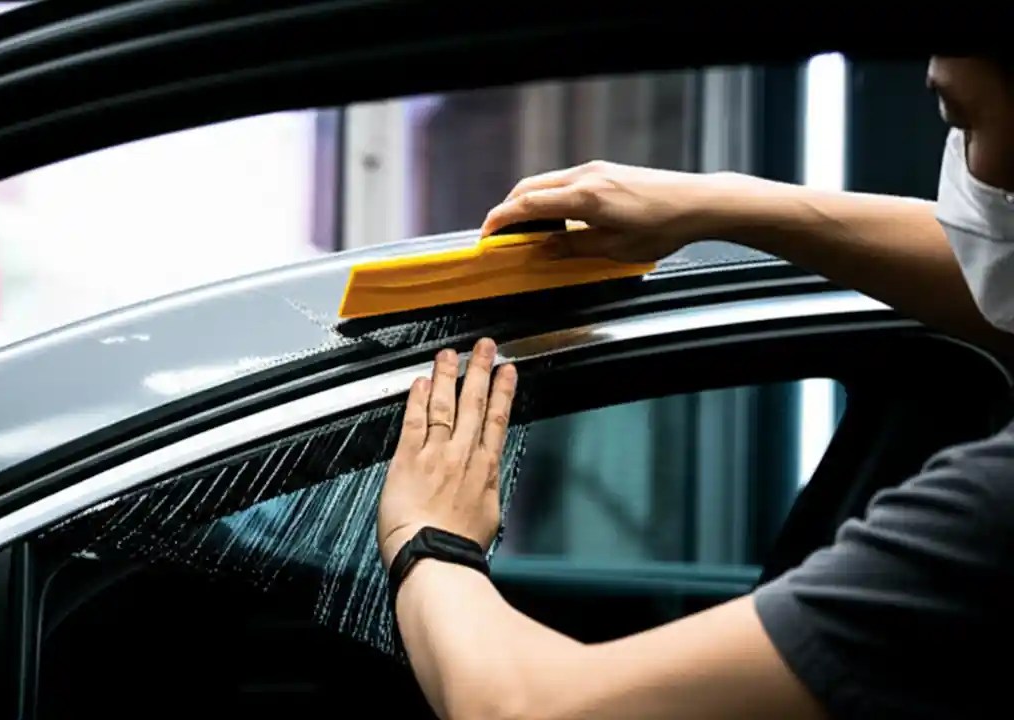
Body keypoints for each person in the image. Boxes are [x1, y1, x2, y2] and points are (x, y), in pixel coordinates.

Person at [375, 56, 1014, 719]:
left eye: (961, 118)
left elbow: (526, 711)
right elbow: (993, 281)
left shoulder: (996, 508)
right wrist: (717, 202)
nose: (960, 157)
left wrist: (429, 537)